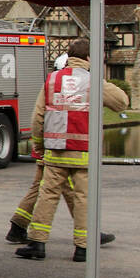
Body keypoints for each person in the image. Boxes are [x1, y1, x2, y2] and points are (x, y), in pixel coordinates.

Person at [15, 37, 129, 262]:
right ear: (89, 58)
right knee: (83, 198)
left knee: (48, 195)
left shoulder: (51, 80)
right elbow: (122, 102)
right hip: (83, 153)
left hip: (56, 152)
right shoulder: (93, 82)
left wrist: (39, 145)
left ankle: (37, 244)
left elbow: (38, 118)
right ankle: (82, 249)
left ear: (68, 56)